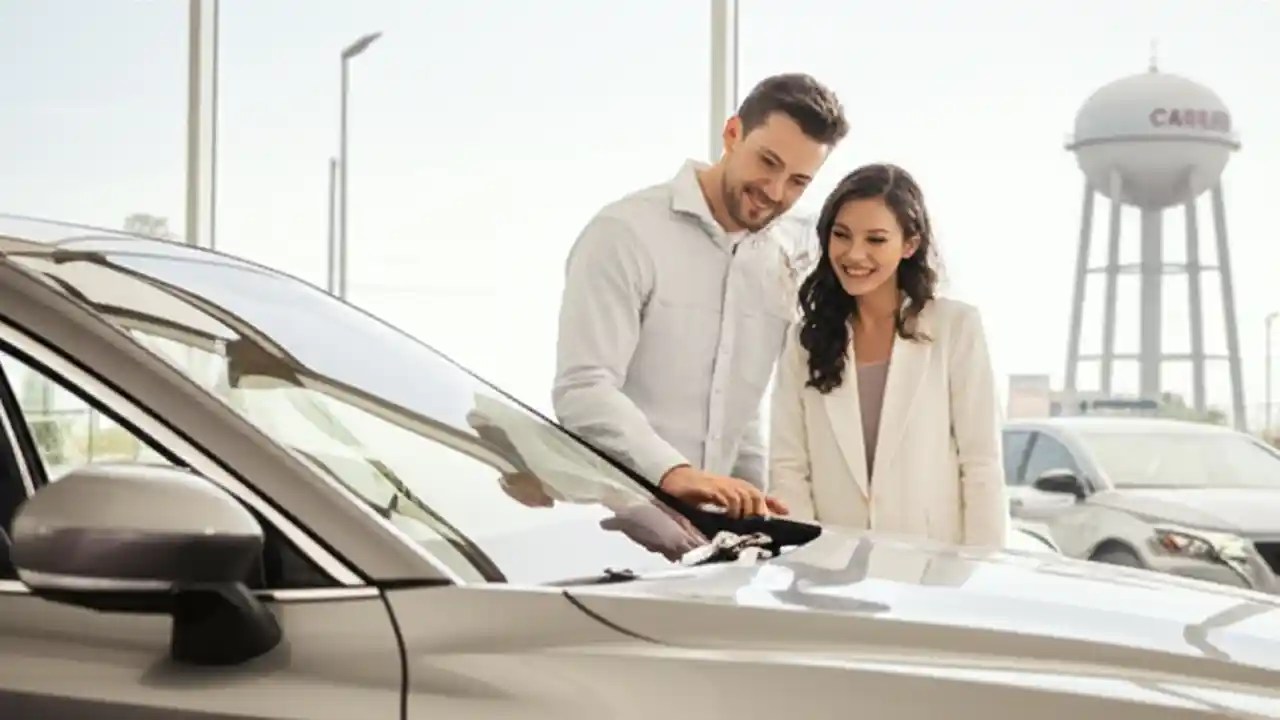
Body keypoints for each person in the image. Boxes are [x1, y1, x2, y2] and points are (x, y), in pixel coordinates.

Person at [553, 73, 849, 519]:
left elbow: (742, 408)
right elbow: (583, 388)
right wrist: (674, 471)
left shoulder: (788, 254)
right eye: (767, 161)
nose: (774, 191)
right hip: (612, 526)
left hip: (716, 541)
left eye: (798, 182)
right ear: (732, 134)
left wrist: (755, 502)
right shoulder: (625, 233)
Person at [768, 163, 1008, 547]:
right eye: (841, 235)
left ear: (909, 245)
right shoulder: (805, 340)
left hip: (932, 573)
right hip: (829, 574)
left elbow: (981, 464)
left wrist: (982, 573)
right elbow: (789, 469)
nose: (854, 254)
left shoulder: (955, 328)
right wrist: (803, 562)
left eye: (876, 240)